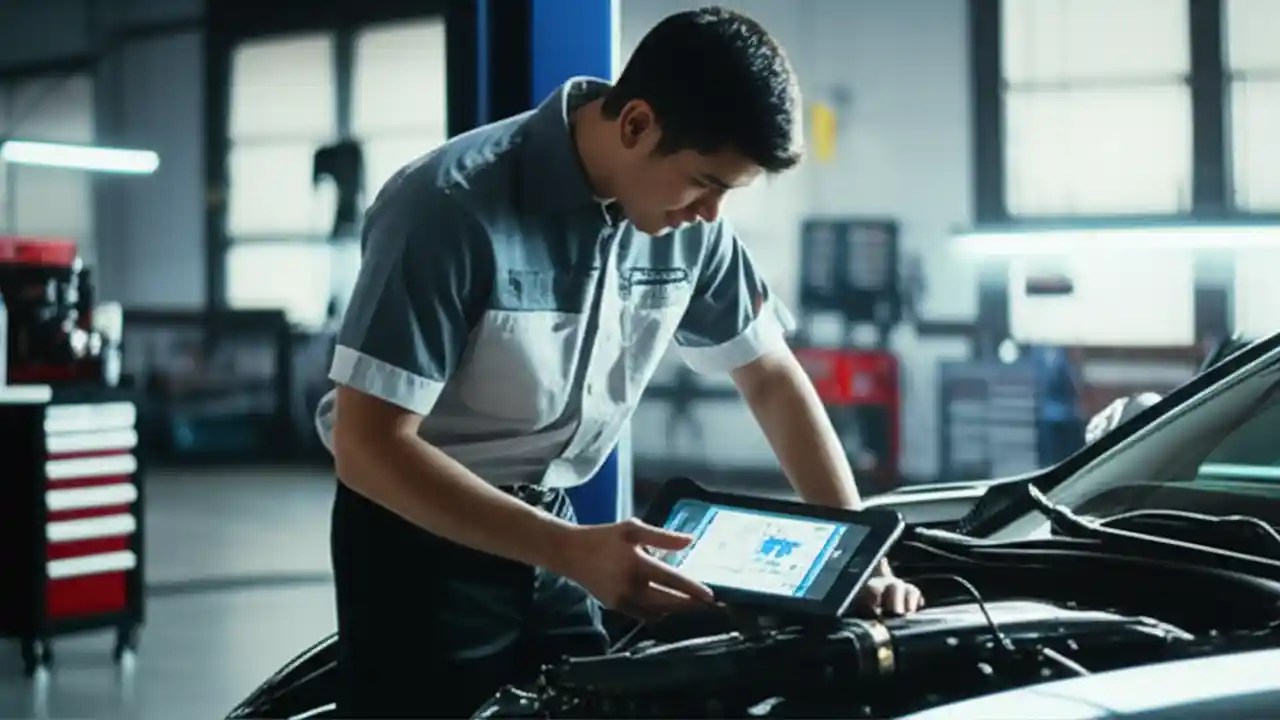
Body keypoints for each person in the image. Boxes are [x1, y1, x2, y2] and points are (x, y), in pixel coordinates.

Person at [315, 6, 924, 718]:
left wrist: (859, 559)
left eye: (730, 191)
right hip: (417, 545)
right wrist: (569, 551)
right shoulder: (448, 209)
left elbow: (772, 377)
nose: (711, 215)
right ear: (636, 124)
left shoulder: (688, 229)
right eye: (705, 182)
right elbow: (366, 446)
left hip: (549, 531)